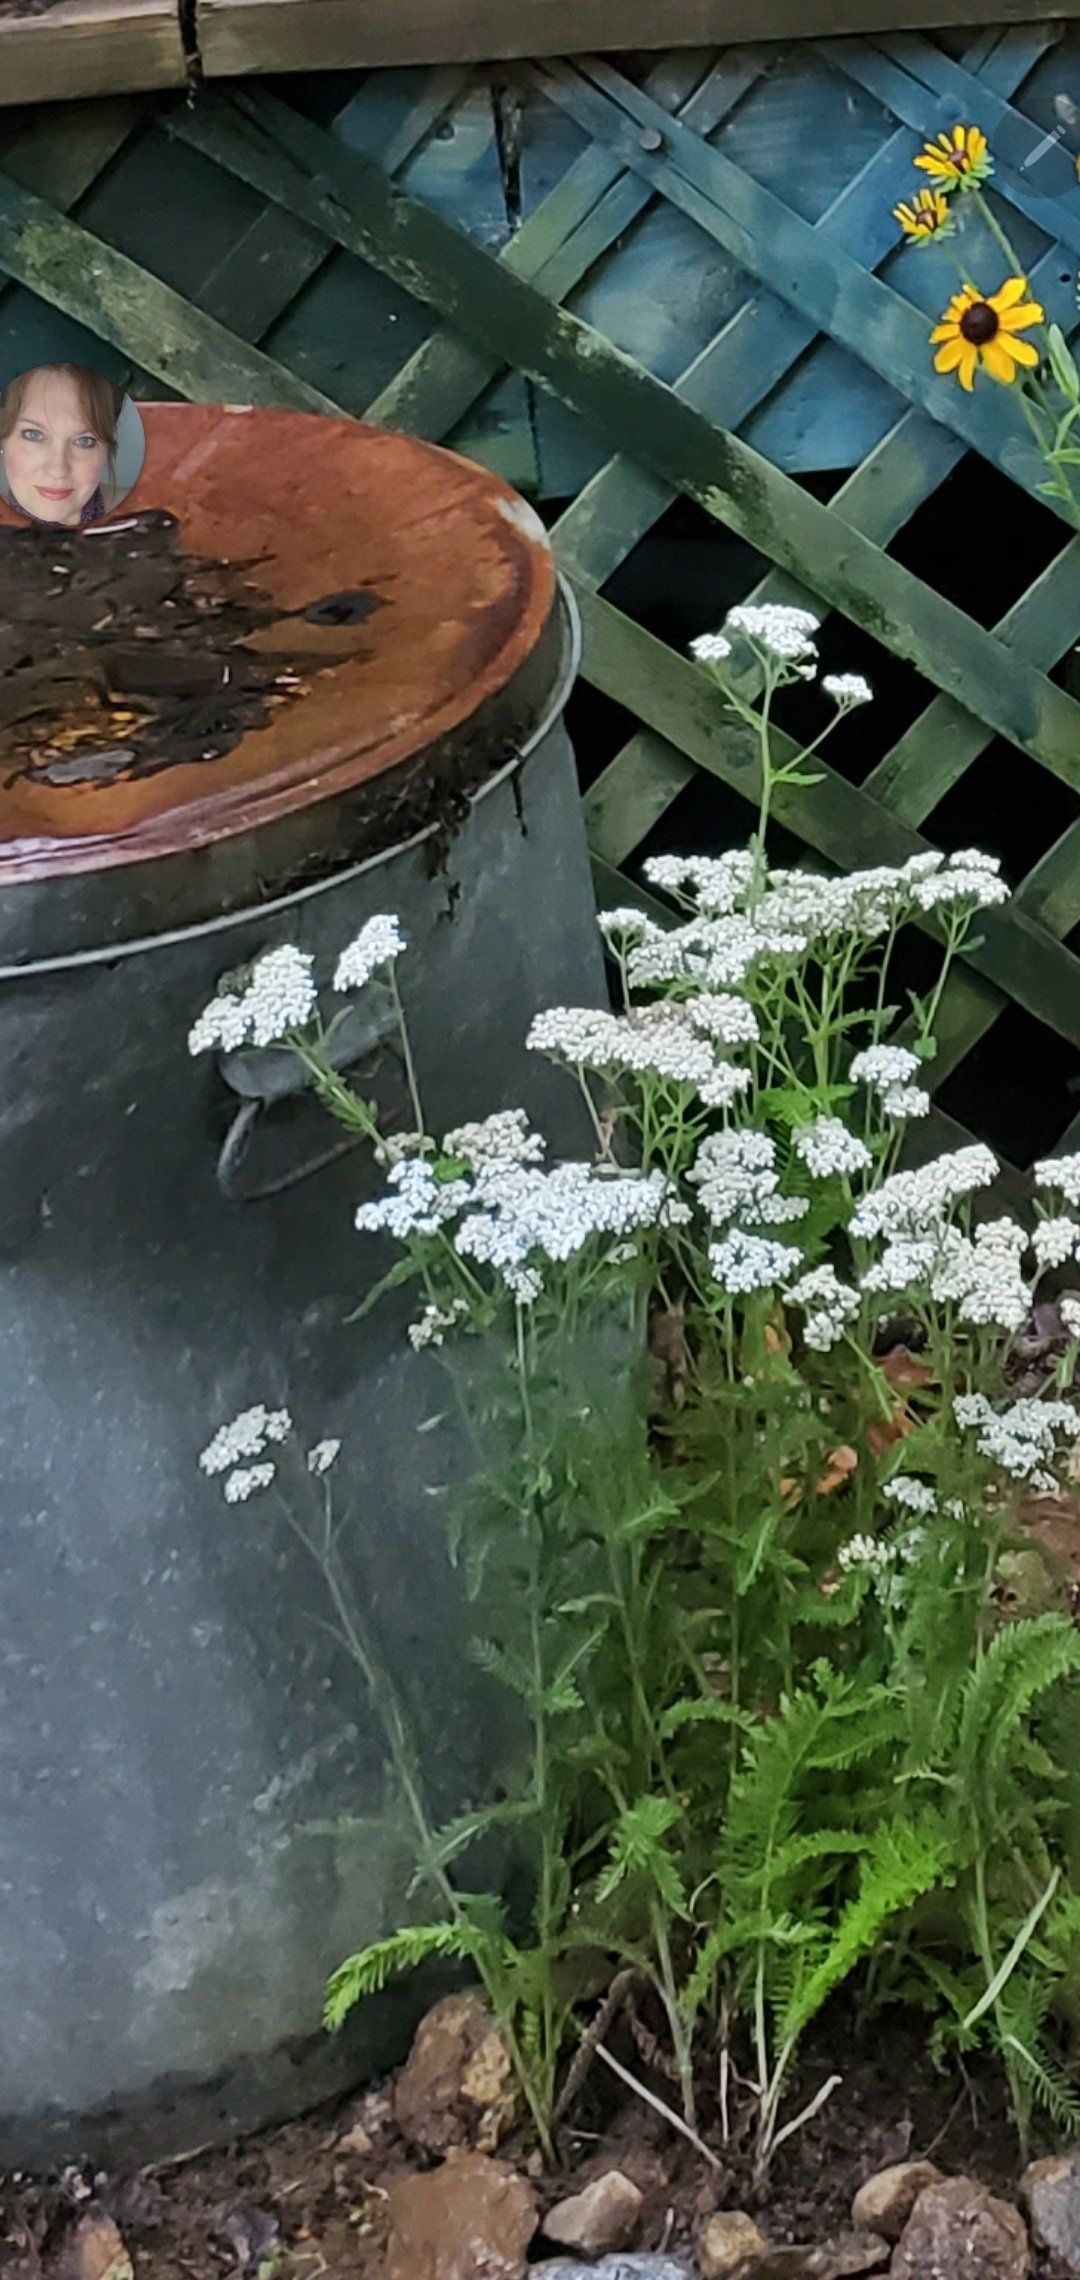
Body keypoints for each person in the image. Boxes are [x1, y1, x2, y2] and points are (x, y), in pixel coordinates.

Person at [0, 365, 127, 528]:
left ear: (106, 449)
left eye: (84, 441)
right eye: (33, 434)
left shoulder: (144, 509)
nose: (57, 470)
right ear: (3, 439)